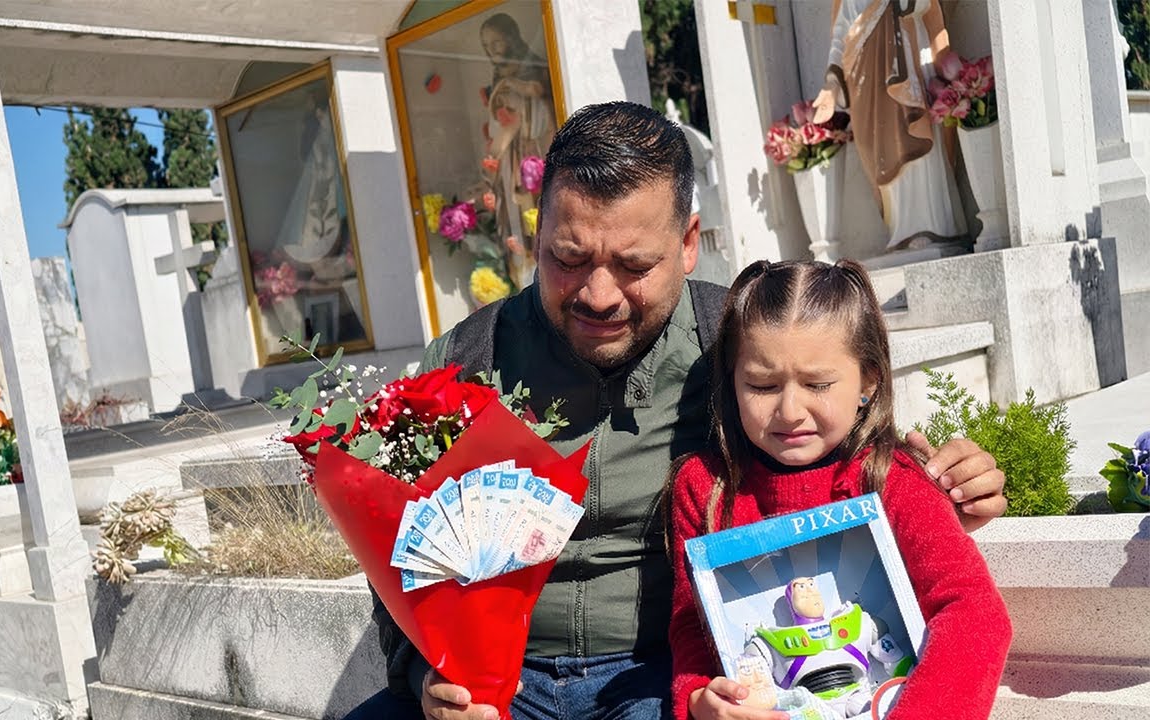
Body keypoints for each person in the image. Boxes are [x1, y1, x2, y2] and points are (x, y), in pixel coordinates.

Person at [346, 101, 1006, 720]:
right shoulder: (461, 360)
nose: (599, 295)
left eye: (634, 265)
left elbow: (844, 446)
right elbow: (397, 544)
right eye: (568, 259)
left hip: (656, 681)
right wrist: (428, 675)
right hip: (501, 683)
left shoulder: (740, 345)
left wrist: (951, 482)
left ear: (689, 243)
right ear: (536, 233)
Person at [667, 260, 1011, 720]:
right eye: (761, 385)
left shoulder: (892, 480)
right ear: (731, 379)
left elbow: (974, 611)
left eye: (818, 384)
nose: (790, 410)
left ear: (868, 381)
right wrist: (697, 698)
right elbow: (692, 623)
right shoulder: (703, 488)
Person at [811, 0, 965, 250]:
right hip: (869, 81)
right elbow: (841, 34)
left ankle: (935, 224)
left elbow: (924, 6)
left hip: (909, 58)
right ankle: (903, 230)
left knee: (919, 141)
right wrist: (831, 83)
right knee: (884, 147)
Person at [478, 12, 556, 289]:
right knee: (520, 216)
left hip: (530, 154)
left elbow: (518, 116)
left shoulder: (528, 69)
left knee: (531, 209)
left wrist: (492, 158)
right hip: (515, 159)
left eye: (496, 43)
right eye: (487, 46)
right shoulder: (502, 76)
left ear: (511, 38)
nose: (492, 51)